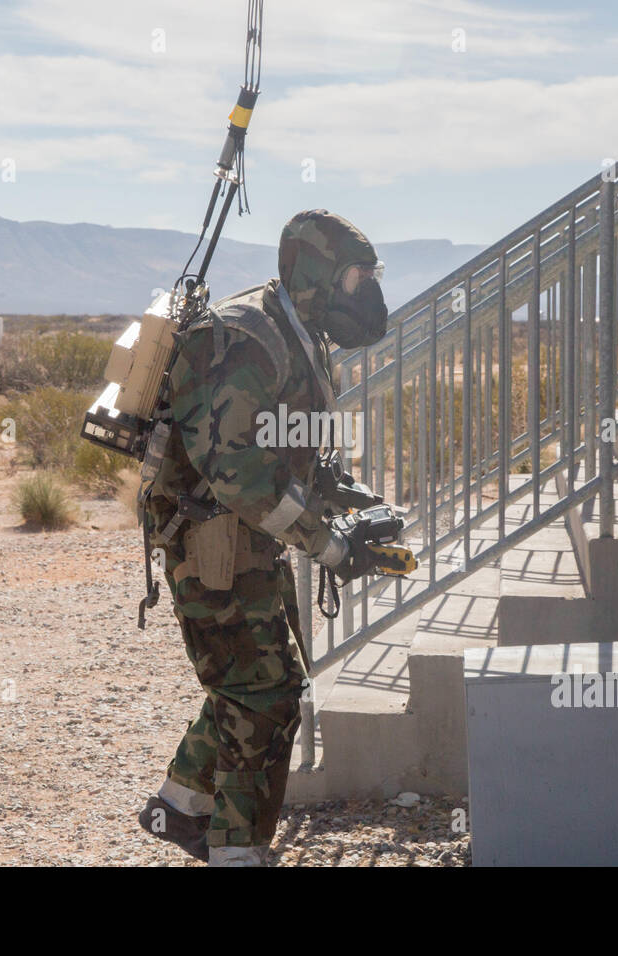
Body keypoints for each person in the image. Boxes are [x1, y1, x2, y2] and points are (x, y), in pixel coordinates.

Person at [137, 209, 389, 866]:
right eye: (360, 277)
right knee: (262, 693)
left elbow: (286, 451)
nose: (368, 292)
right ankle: (235, 849)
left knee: (259, 685)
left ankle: (180, 803)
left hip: (247, 539)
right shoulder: (250, 337)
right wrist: (330, 546)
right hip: (210, 541)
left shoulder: (297, 335)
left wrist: (350, 505)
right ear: (319, 275)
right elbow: (239, 474)